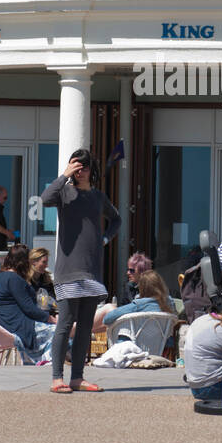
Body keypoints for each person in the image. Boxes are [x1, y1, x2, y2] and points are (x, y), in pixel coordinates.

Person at [41, 149, 121, 393]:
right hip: (68, 269)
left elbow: (116, 219)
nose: (80, 169)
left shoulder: (97, 197)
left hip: (92, 271)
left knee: (86, 326)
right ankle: (57, 378)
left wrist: (105, 239)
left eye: (84, 165)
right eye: (76, 165)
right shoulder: (64, 192)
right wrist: (64, 175)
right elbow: (45, 199)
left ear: (91, 169)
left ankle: (77, 377)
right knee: (65, 324)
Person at [0, 244, 57, 362]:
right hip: (15, 324)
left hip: (5, 322)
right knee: (58, 332)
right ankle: (46, 360)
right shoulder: (14, 279)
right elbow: (29, 308)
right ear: (23, 262)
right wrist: (50, 318)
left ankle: (51, 359)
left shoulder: (2, 276)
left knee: (62, 332)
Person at [96, 269, 175, 339]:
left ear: (142, 287)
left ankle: (86, 329)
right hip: (163, 347)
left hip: (136, 346)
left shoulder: (140, 304)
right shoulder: (170, 303)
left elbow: (107, 319)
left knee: (109, 307)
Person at [29, 246, 57, 314]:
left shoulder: (46, 280)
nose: (46, 265)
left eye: (46, 262)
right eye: (44, 262)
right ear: (33, 262)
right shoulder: (24, 280)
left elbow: (53, 300)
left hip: (46, 314)